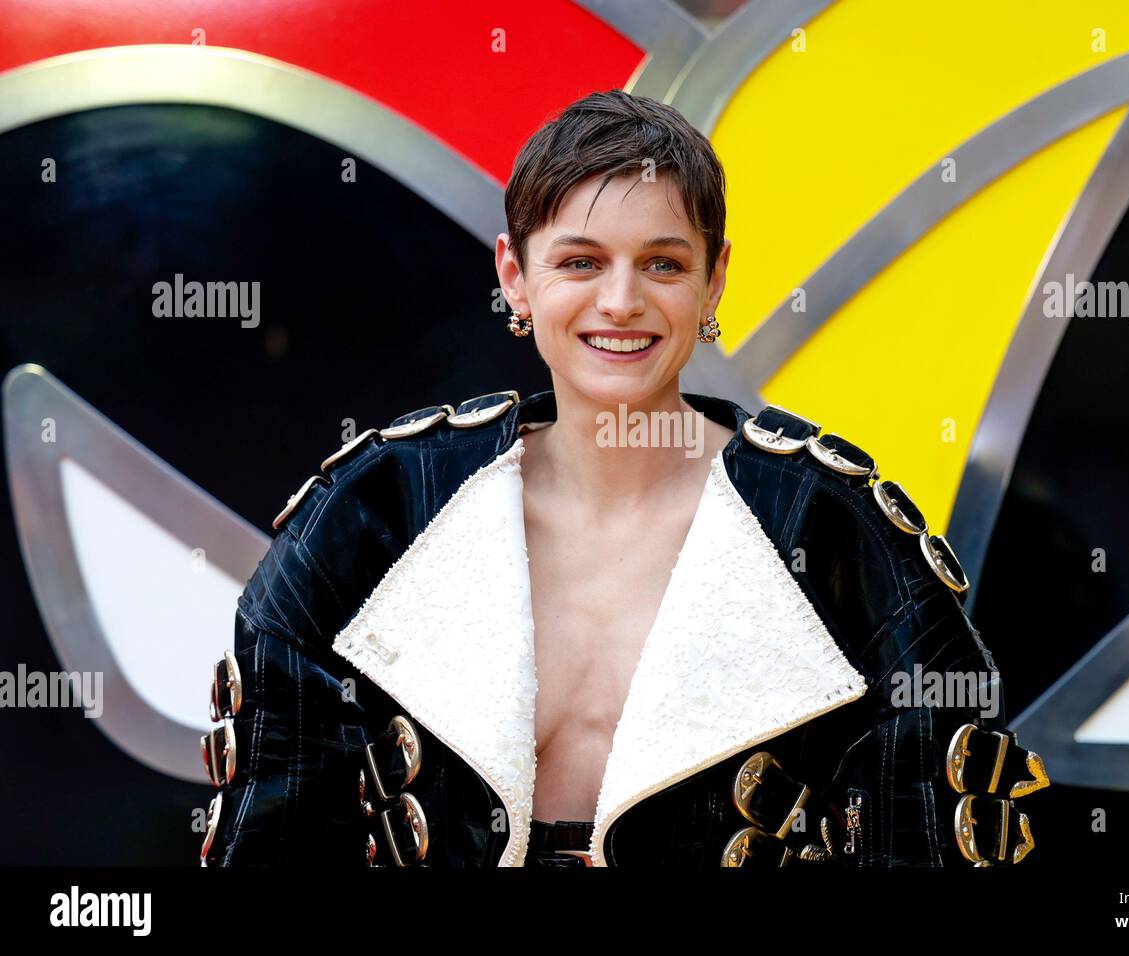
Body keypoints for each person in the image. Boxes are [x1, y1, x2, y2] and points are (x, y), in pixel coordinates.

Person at [198, 89, 1050, 868]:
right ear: (513, 276)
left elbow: (929, 840)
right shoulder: (378, 511)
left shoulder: (827, 525)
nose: (620, 301)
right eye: (580, 262)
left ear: (715, 279)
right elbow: (273, 837)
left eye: (663, 264)